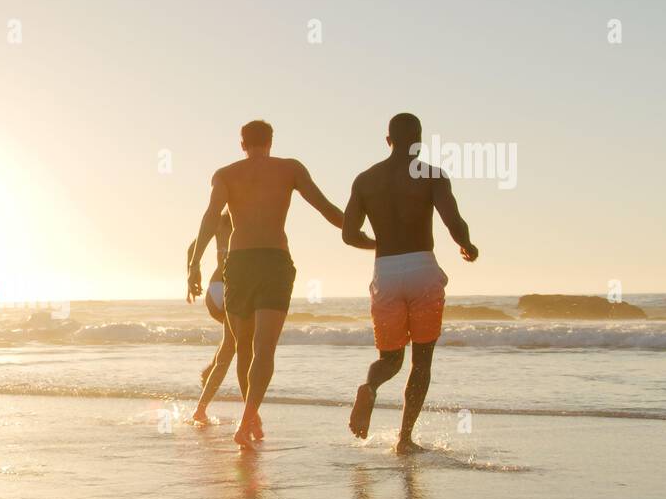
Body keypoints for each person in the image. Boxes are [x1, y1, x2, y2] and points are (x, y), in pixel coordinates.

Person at [189, 120, 373, 448]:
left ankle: (249, 417)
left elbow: (209, 216)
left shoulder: (226, 174)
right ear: (271, 141)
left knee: (242, 346)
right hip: (274, 260)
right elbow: (328, 210)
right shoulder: (290, 169)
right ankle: (247, 420)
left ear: (241, 143)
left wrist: (194, 266)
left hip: (239, 264)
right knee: (264, 348)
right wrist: (368, 240)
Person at [342, 113, 478, 453]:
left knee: (390, 359)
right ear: (418, 142)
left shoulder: (365, 180)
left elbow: (348, 234)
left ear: (387, 140)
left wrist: (380, 244)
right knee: (421, 360)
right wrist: (468, 246)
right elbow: (454, 223)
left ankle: (370, 387)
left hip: (386, 272)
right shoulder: (431, 176)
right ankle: (404, 438)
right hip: (422, 268)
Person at [186, 214, 241, 424]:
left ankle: (210, 372)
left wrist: (191, 276)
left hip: (215, 290)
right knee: (231, 345)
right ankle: (201, 410)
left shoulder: (218, 222)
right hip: (231, 289)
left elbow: (192, 249)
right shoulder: (246, 217)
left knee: (233, 340)